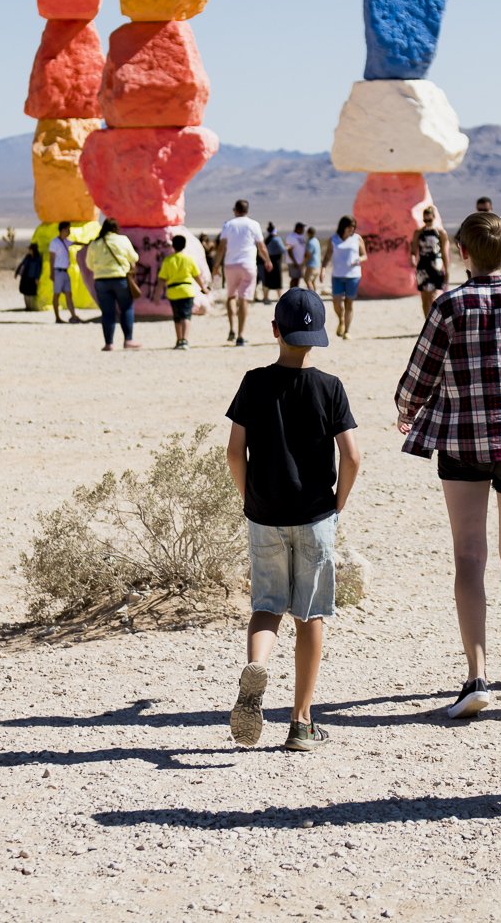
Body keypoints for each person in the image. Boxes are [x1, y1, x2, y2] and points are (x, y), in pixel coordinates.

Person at [394, 212, 501, 719]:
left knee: (469, 558)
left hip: (461, 443)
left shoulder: (448, 306)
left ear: (461, 253)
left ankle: (476, 675)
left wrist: (406, 409)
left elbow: (418, 376)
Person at [224, 289, 362, 750]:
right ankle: (301, 722)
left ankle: (257, 666)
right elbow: (353, 457)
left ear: (275, 330)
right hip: (315, 517)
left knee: (267, 605)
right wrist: (337, 504)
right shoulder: (330, 387)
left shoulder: (253, 382)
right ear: (319, 335)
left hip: (265, 515)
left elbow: (233, 452)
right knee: (310, 616)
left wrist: (251, 498)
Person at [217, 200, 271, 347]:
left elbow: (221, 247)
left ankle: (232, 328)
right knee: (244, 299)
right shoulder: (254, 224)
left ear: (235, 210)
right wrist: (267, 261)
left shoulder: (228, 224)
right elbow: (261, 246)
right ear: (247, 210)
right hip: (248, 265)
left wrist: (215, 266)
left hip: (230, 265)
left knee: (231, 296)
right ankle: (241, 335)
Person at [84, 218, 141, 352]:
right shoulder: (122, 240)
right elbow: (134, 257)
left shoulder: (95, 243)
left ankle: (109, 343)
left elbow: (89, 264)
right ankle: (128, 340)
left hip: (101, 280)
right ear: (116, 228)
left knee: (107, 313)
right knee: (126, 308)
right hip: (120, 279)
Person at [159, 234, 203, 350]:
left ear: (173, 246)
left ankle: (178, 340)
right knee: (186, 316)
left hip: (173, 291)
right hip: (187, 290)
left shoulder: (168, 260)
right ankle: (185, 340)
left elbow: (162, 279)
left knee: (177, 317)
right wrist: (204, 288)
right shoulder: (188, 259)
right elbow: (196, 276)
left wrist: (156, 295)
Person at [409, 205, 452, 319]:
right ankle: (427, 321)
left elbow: (444, 251)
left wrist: (447, 270)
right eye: (425, 219)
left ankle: (435, 322)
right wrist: (413, 258)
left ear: (434, 217)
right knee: (424, 296)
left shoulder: (440, 233)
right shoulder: (418, 232)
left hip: (436, 266)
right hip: (423, 266)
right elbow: (413, 250)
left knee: (434, 296)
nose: (427, 221)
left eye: (429, 219)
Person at [327, 216, 363, 340]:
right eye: (350, 226)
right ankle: (341, 319)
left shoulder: (357, 238)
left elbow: (364, 255)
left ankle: (347, 330)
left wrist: (359, 259)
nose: (352, 229)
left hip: (353, 275)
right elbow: (327, 255)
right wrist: (322, 269)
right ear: (343, 226)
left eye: (354, 226)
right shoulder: (333, 239)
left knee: (349, 303)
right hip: (337, 275)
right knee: (336, 302)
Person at [48, 222, 82, 323]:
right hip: (58, 271)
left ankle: (73, 316)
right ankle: (57, 317)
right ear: (63, 230)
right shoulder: (54, 242)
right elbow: (51, 258)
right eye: (68, 229)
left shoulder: (66, 241)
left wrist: (87, 243)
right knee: (56, 294)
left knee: (68, 293)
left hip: (65, 271)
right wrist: (52, 273)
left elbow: (75, 242)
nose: (69, 231)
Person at [258, 223, 286, 303]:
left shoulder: (266, 239)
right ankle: (280, 298)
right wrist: (288, 247)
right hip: (276, 261)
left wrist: (266, 260)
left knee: (267, 280)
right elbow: (282, 249)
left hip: (267, 261)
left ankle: (265, 297)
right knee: (277, 280)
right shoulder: (276, 239)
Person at [14, 242, 44, 309]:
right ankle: (27, 307)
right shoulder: (28, 257)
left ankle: (30, 307)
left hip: (32, 278)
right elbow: (22, 264)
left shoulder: (38, 259)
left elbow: (38, 269)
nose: (29, 251)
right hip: (25, 277)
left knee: (31, 294)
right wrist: (17, 273)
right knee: (25, 293)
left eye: (30, 249)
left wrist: (37, 278)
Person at [285, 223, 308, 289]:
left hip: (299, 262)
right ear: (298, 228)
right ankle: (291, 293)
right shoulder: (291, 237)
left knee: (297, 278)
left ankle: (295, 292)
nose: (303, 230)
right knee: (294, 278)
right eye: (302, 228)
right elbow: (289, 250)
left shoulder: (300, 236)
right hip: (293, 262)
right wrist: (294, 261)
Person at [303, 227, 323, 294]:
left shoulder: (310, 242)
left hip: (311, 264)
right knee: (313, 281)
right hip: (317, 264)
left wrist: (303, 262)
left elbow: (308, 254)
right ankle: (315, 295)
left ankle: (312, 295)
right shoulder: (316, 240)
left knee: (307, 280)